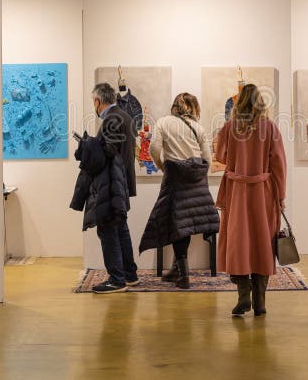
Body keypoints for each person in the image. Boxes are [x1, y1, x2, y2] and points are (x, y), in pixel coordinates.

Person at [215, 84, 287, 316]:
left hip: (237, 192)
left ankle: (243, 297)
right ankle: (261, 302)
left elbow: (219, 157)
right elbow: (279, 166)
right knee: (262, 242)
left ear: (239, 103)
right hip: (263, 192)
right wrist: (281, 195)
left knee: (239, 243)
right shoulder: (271, 128)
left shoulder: (229, 128)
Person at [138, 93, 219, 289]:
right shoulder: (198, 128)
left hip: (175, 179)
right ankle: (176, 269)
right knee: (187, 221)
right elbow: (207, 159)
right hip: (196, 182)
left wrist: (163, 167)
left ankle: (183, 275)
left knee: (178, 221)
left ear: (174, 106)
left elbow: (154, 150)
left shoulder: (164, 123)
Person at [91, 82, 139, 294]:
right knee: (120, 228)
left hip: (111, 184)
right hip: (122, 182)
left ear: (97, 101)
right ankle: (130, 275)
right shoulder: (125, 116)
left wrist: (89, 149)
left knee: (108, 228)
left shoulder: (112, 119)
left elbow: (108, 152)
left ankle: (116, 279)